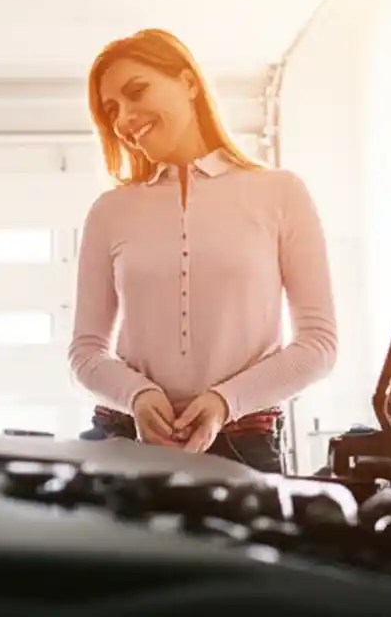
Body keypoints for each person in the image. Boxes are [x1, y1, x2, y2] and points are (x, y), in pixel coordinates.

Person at [68, 28, 337, 472]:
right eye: (112, 109)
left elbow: (319, 344)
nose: (124, 119)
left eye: (136, 92)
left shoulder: (281, 193)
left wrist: (225, 402)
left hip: (244, 446)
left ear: (189, 82)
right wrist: (138, 396)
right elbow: (86, 351)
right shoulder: (110, 210)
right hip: (123, 441)